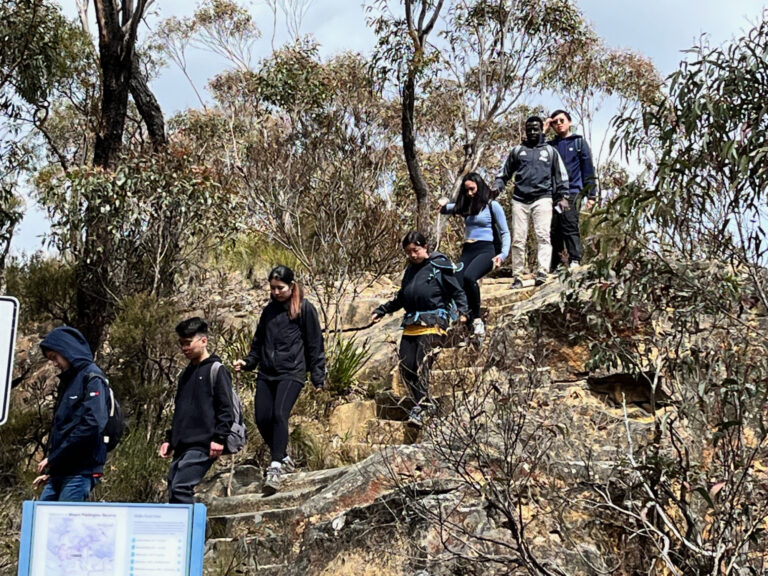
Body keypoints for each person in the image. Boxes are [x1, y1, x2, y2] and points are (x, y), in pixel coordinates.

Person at [234, 266, 325, 495]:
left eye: (280, 288)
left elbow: (315, 345)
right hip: (267, 372)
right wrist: (247, 363)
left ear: (291, 285)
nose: (275, 292)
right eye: (272, 288)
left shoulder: (305, 309)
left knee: (279, 414)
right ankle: (283, 456)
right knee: (262, 418)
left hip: (292, 372)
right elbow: (258, 344)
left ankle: (275, 467)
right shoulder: (269, 312)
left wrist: (317, 377)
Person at [371, 231, 469, 426]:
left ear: (425, 247)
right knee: (406, 367)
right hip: (411, 324)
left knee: (421, 364)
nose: (413, 255)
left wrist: (464, 313)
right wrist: (382, 310)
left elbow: (457, 291)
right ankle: (423, 403)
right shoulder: (410, 271)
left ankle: (422, 406)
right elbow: (402, 297)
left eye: (415, 250)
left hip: (433, 322)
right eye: (409, 252)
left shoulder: (439, 266)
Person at [159, 317, 235, 504]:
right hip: (182, 445)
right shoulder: (185, 374)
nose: (184, 348)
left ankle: (195, 532)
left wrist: (219, 438)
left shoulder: (217, 370)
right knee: (173, 488)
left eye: (188, 343)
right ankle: (184, 532)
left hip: (204, 443)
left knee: (181, 488)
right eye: (181, 344)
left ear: (203, 341)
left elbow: (226, 408)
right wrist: (169, 439)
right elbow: (180, 411)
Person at [493, 116, 569, 288]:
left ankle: (542, 272)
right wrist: (496, 188)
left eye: (536, 129)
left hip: (543, 198)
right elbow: (504, 174)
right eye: (529, 129)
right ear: (526, 131)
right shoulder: (518, 151)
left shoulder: (550, 151)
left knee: (543, 235)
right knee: (518, 239)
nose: (533, 132)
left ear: (542, 129)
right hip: (520, 200)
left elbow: (561, 176)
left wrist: (563, 197)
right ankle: (518, 276)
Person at [34, 326, 109, 501]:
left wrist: (54, 458)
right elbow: (65, 427)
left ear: (66, 350)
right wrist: (53, 467)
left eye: (54, 357)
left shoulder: (92, 377)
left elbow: (92, 424)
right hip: (61, 470)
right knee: (44, 519)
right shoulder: (68, 382)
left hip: (80, 471)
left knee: (65, 525)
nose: (54, 363)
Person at [439, 172, 510, 338]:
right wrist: (443, 201)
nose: (470, 193)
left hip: (486, 250)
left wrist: (503, 254)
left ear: (480, 186)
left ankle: (477, 319)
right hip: (468, 250)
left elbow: (505, 232)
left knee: (470, 277)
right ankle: (463, 318)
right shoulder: (466, 206)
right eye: (467, 190)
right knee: (456, 280)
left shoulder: (493, 206)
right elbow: (446, 208)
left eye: (472, 189)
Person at [544, 109, 598, 270]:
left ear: (569, 122)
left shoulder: (578, 143)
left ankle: (575, 259)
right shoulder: (550, 146)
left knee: (568, 222)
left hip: (572, 190)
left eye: (562, 120)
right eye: (555, 122)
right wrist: (543, 130)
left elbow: (588, 169)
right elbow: (535, 152)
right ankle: (558, 263)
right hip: (553, 193)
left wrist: (591, 195)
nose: (559, 124)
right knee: (553, 228)